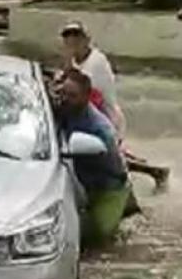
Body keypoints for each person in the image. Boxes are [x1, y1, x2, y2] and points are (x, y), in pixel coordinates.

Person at [60, 21, 169, 190]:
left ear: (86, 39)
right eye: (68, 37)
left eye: (76, 36)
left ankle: (154, 172)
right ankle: (154, 171)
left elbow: (82, 89)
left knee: (110, 158)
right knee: (115, 155)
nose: (72, 41)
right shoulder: (77, 60)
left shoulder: (96, 62)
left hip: (106, 118)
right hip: (94, 113)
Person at [54, 69, 131, 247]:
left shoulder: (99, 129)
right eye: (63, 93)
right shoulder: (63, 109)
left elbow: (116, 166)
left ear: (87, 97)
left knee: (96, 238)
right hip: (80, 181)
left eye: (72, 95)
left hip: (108, 188)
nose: (65, 99)